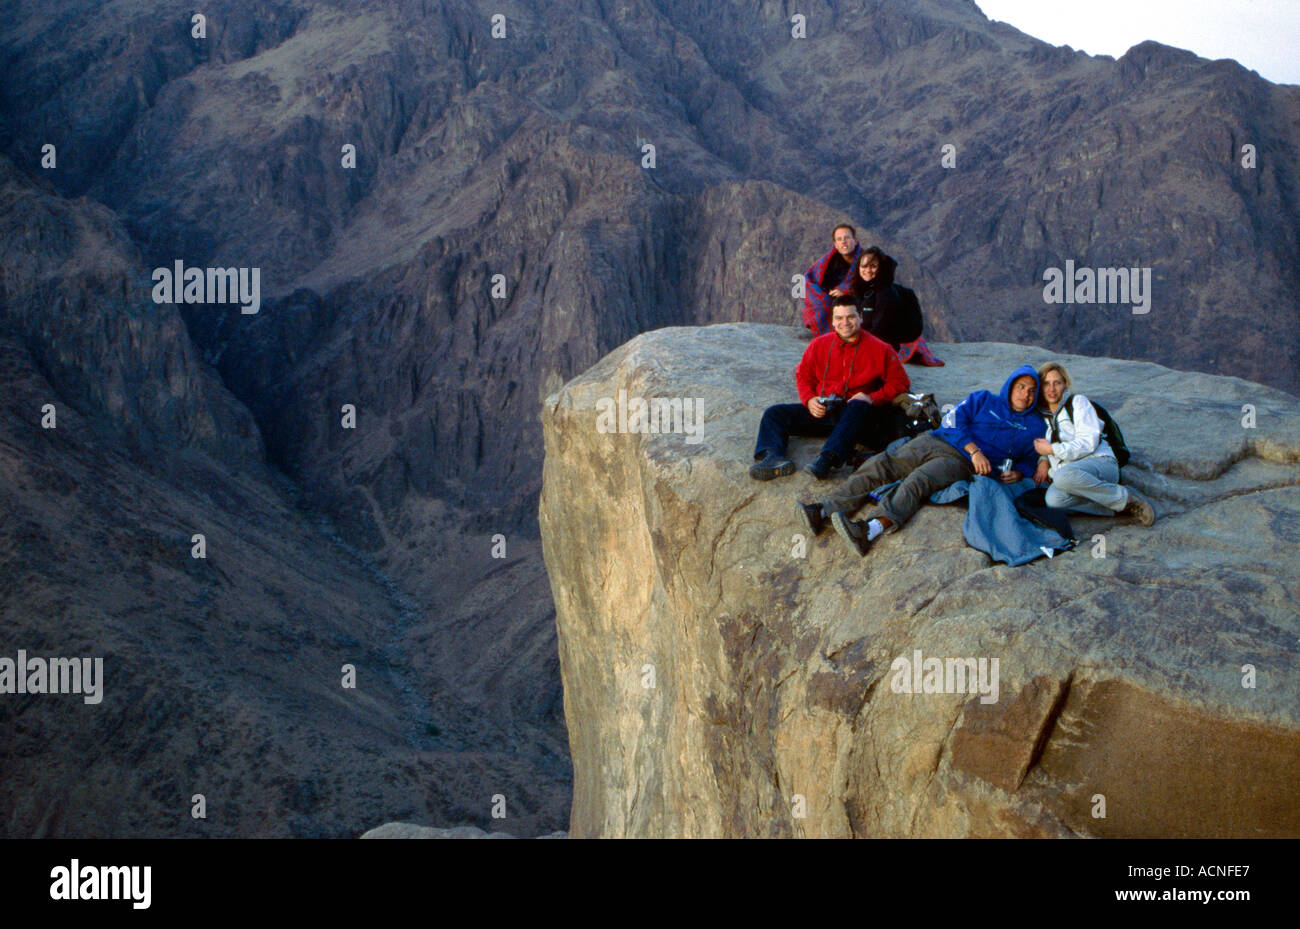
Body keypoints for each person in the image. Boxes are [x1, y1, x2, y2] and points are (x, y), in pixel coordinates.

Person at [800, 366, 1046, 556]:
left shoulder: (1034, 425)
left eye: (1032, 390)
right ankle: (823, 510)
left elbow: (1031, 459)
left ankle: (868, 530)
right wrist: (974, 449)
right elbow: (952, 420)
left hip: (960, 462)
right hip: (938, 440)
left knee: (919, 481)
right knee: (882, 464)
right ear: (1010, 386)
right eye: (1021, 387)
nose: (1025, 394)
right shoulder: (984, 399)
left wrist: (1021, 473)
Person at [752, 298, 910, 481]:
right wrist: (809, 400)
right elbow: (803, 374)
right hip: (826, 411)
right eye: (839, 318)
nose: (845, 323)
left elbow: (900, 383)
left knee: (858, 405)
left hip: (859, 417)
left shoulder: (881, 349)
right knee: (775, 413)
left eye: (851, 317)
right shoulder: (819, 345)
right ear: (833, 321)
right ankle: (772, 457)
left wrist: (871, 398)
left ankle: (827, 460)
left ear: (860, 317)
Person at [1031, 362, 1155, 526]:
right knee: (1054, 501)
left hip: (1099, 463)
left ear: (1065, 385)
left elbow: (1087, 442)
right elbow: (1045, 445)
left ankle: (1128, 499)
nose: (1051, 389)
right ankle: (1117, 508)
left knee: (1062, 477)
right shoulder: (1043, 417)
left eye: (1057, 383)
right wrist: (1044, 460)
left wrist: (1052, 449)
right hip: (1072, 476)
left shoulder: (1078, 403)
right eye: (1046, 383)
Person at [802, 224, 862, 337]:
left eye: (847, 238)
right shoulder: (828, 261)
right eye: (839, 239)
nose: (843, 242)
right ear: (835, 244)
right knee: (823, 306)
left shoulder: (865, 260)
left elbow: (871, 284)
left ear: (855, 240)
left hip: (860, 300)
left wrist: (846, 292)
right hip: (832, 298)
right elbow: (809, 279)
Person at [847, 246, 907, 349]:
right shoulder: (861, 289)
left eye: (873, 266)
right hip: (865, 342)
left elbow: (880, 329)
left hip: (880, 348)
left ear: (881, 268)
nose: (868, 270)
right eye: (864, 266)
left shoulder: (886, 293)